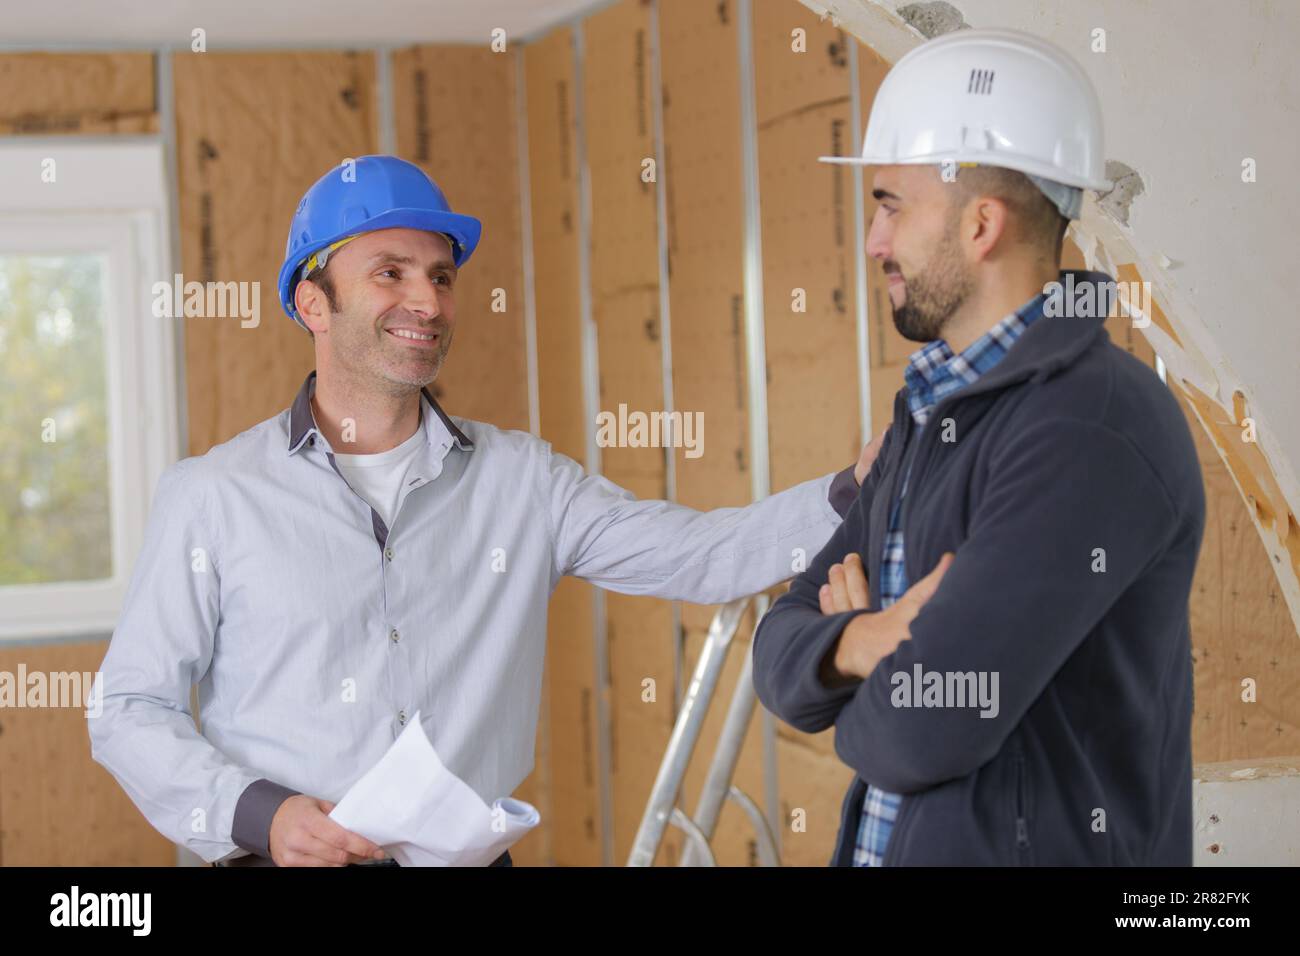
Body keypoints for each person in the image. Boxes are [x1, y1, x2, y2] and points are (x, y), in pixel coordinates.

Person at [88, 154, 879, 867]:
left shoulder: (523, 481)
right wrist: (262, 815)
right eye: (390, 273)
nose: (426, 300)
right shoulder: (213, 495)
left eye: (441, 275)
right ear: (312, 303)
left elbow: (706, 556)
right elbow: (129, 708)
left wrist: (857, 486)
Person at [752, 29, 1205, 865]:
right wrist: (859, 641)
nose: (873, 241)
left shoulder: (1091, 427)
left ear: (981, 224)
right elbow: (776, 651)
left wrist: (851, 672)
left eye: (891, 205)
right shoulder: (931, 415)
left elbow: (920, 732)